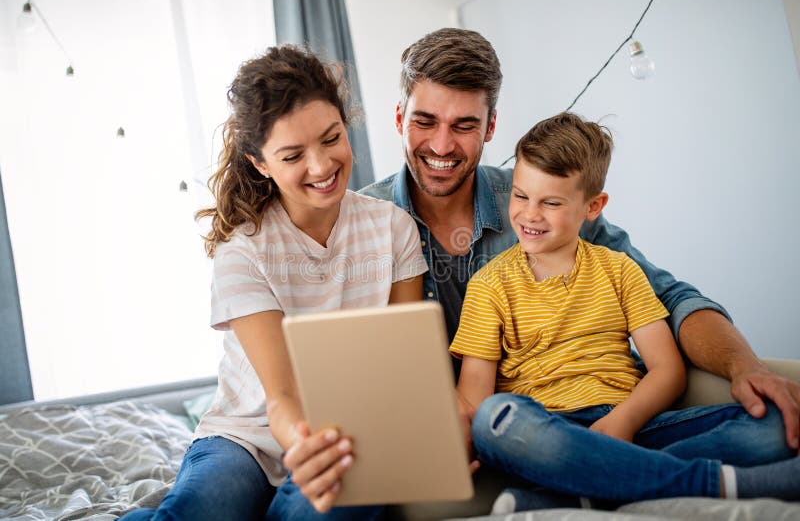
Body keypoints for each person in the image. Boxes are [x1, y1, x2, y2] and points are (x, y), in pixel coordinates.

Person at [359, 27, 799, 451]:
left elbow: (671, 297)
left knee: (772, 425)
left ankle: (612, 471)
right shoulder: (359, 222)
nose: (441, 145)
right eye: (425, 121)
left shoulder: (549, 200)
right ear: (399, 118)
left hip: (597, 410)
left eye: (463, 125)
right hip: (506, 428)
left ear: (490, 127)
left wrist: (745, 367)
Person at [121, 45, 426, 521]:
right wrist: (304, 445)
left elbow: (407, 366)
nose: (322, 166)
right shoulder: (243, 249)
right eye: (293, 155)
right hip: (247, 437)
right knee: (200, 511)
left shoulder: (394, 229)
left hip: (349, 438)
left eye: (331, 139)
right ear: (260, 162)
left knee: (331, 505)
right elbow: (281, 396)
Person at [450, 112, 798, 511]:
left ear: (593, 205)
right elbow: (476, 399)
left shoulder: (619, 269)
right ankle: (710, 482)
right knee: (498, 418)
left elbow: (667, 370)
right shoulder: (489, 285)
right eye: (521, 195)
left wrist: (625, 421)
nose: (529, 215)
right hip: (547, 432)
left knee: (772, 426)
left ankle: (574, 494)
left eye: (551, 203)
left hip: (631, 424)